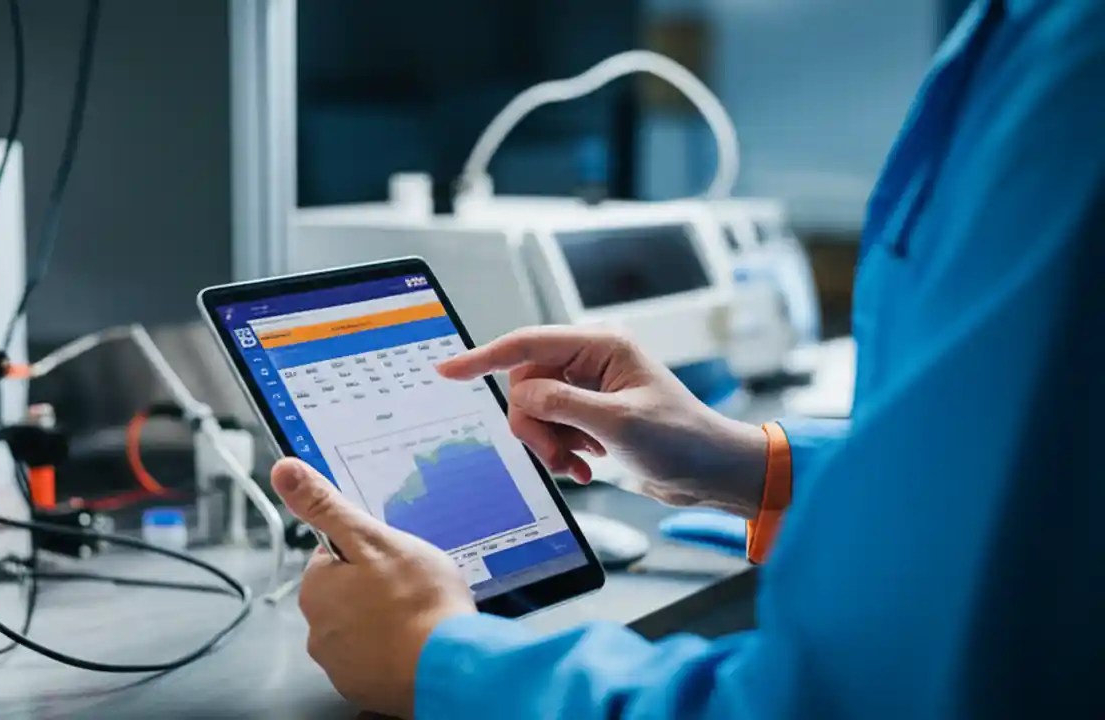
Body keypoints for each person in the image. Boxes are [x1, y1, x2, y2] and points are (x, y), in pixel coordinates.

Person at [268, 1, 1105, 717]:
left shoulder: (1072, 70)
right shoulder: (1027, 41)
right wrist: (755, 464)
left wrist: (438, 661)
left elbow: (857, 698)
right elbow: (1042, 490)